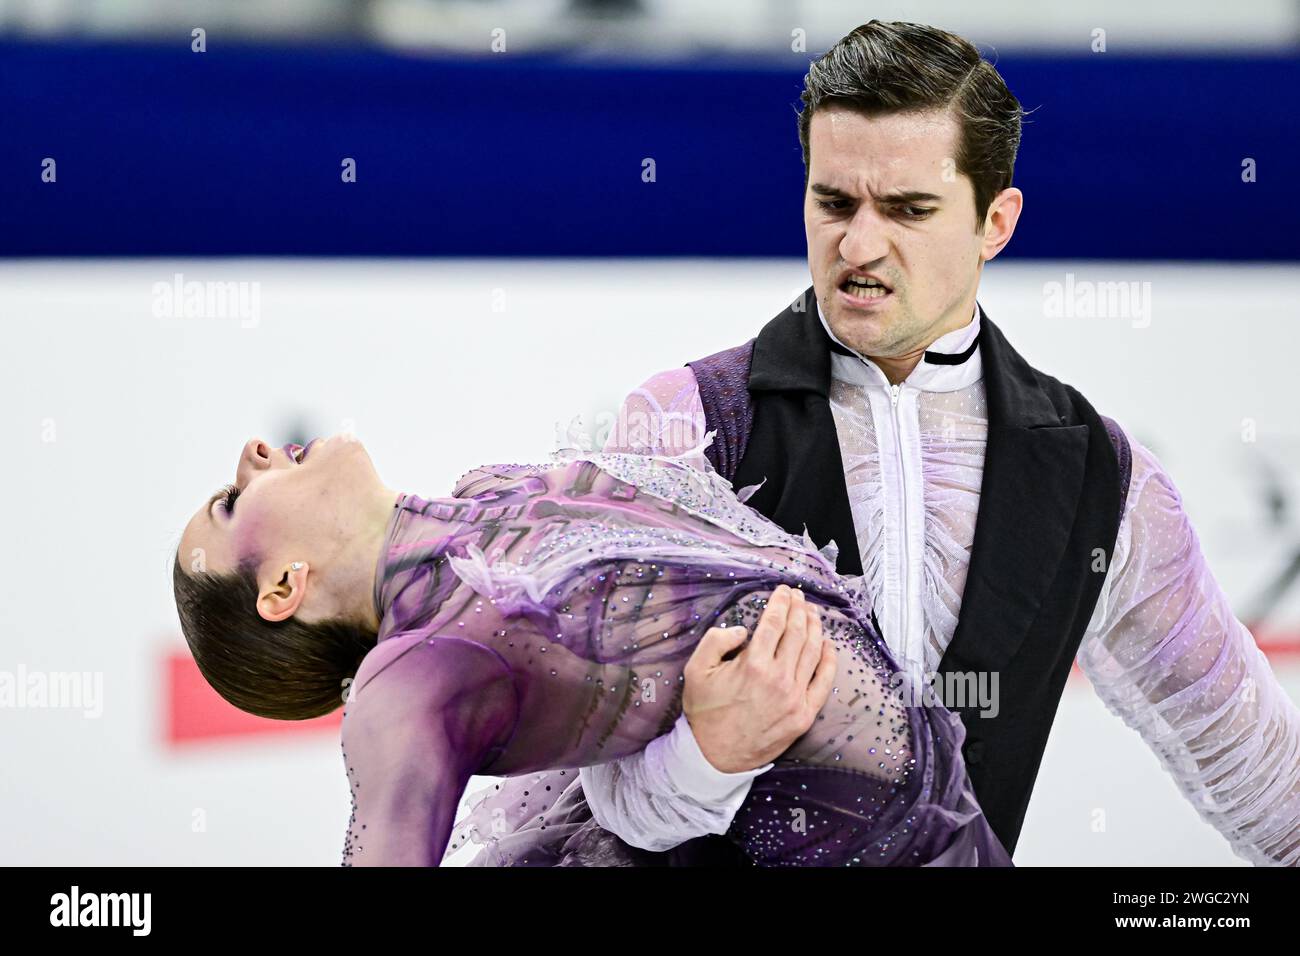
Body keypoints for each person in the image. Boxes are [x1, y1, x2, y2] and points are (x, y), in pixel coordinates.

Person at [572, 19, 1300, 866]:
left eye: (909, 210)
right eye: (833, 203)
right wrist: (710, 755)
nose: (859, 245)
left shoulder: (1103, 479)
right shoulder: (685, 429)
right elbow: (616, 802)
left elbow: (1255, 768)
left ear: (996, 221)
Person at [171, 432, 1013, 866]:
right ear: (282, 587)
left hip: (945, 807)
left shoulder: (487, 489)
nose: (253, 453)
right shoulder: (406, 681)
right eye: (231, 501)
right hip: (861, 842)